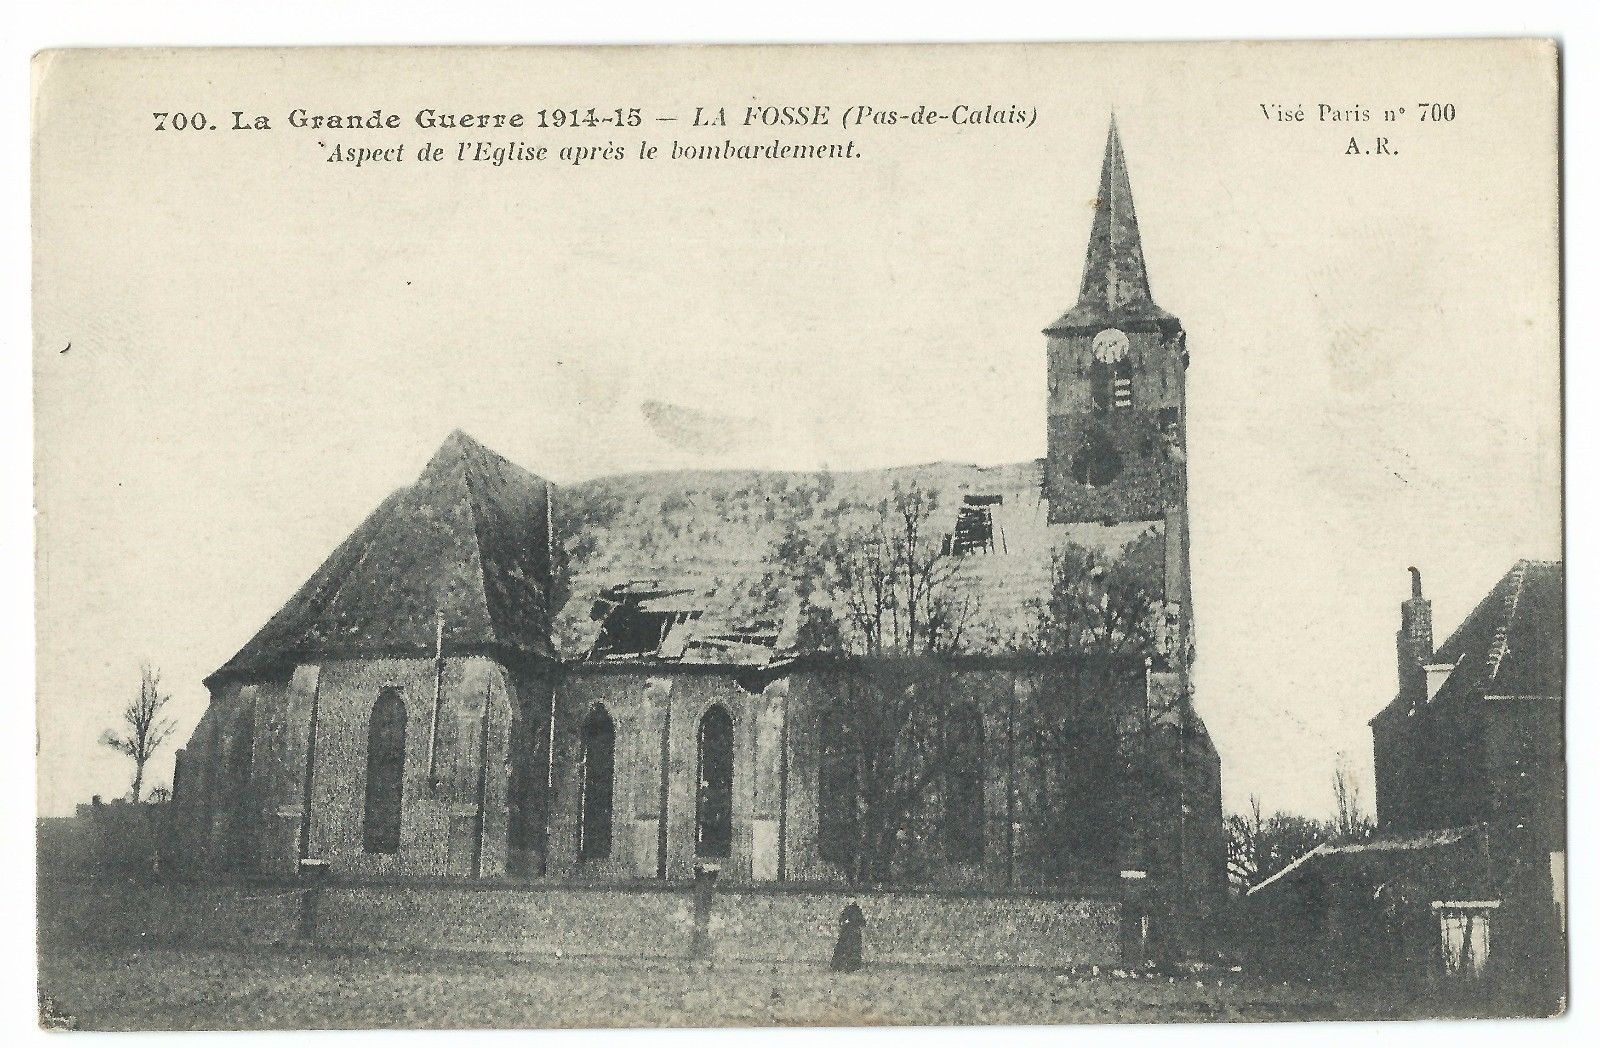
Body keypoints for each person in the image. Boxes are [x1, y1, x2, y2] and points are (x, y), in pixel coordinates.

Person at [831, 901, 867, 972]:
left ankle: (851, 966)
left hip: (853, 933)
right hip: (847, 933)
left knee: (853, 950)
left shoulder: (856, 911)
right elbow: (842, 920)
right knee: (844, 949)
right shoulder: (849, 910)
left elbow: (862, 922)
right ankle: (839, 966)